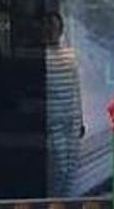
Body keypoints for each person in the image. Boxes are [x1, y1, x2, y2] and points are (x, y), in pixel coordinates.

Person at [44, 12, 84, 196]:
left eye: (56, 28)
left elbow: (76, 89)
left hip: (72, 121)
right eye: (49, 28)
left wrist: (81, 119)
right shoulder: (40, 58)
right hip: (55, 123)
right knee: (59, 168)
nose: (53, 31)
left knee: (72, 166)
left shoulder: (70, 55)